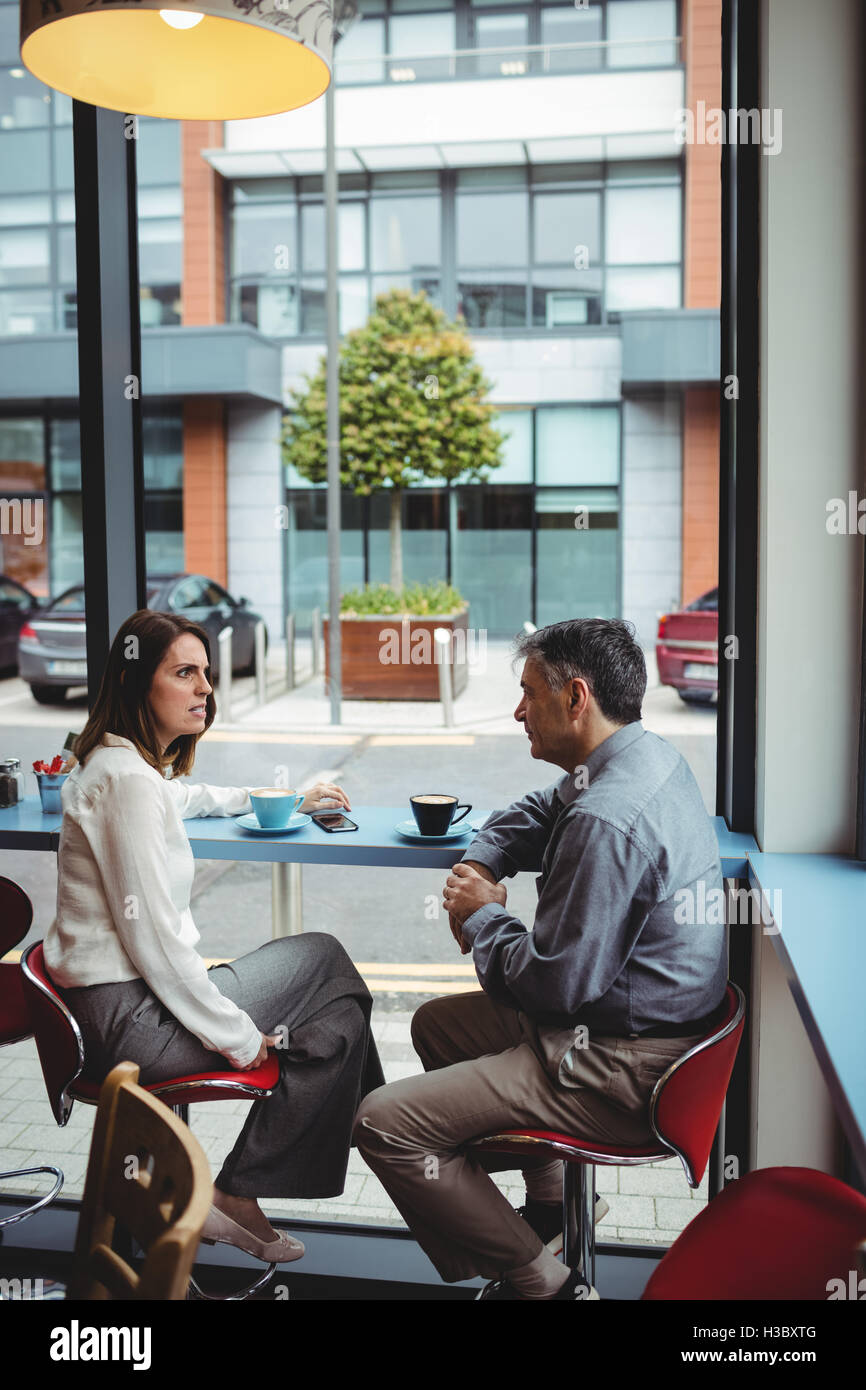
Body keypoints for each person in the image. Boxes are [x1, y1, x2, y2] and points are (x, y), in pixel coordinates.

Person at [353, 618, 727, 1299]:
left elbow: (553, 988)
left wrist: (481, 914)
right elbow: (538, 810)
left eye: (528, 693)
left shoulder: (607, 819)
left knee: (383, 1123)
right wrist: (483, 859)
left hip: (620, 1068)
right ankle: (550, 1208)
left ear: (576, 698)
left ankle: (539, 1281)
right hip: (635, 1032)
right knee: (434, 1027)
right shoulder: (640, 757)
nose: (519, 710)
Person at [44, 608, 385, 1264]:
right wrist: (233, 1036)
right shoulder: (127, 785)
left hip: (114, 1007)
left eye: (206, 673)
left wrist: (276, 797)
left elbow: (186, 798)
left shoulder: (117, 767)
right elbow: (158, 947)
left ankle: (263, 1178)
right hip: (132, 1021)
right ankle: (310, 1158)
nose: (205, 688)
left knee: (337, 1021)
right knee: (326, 961)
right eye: (184, 673)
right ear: (137, 682)